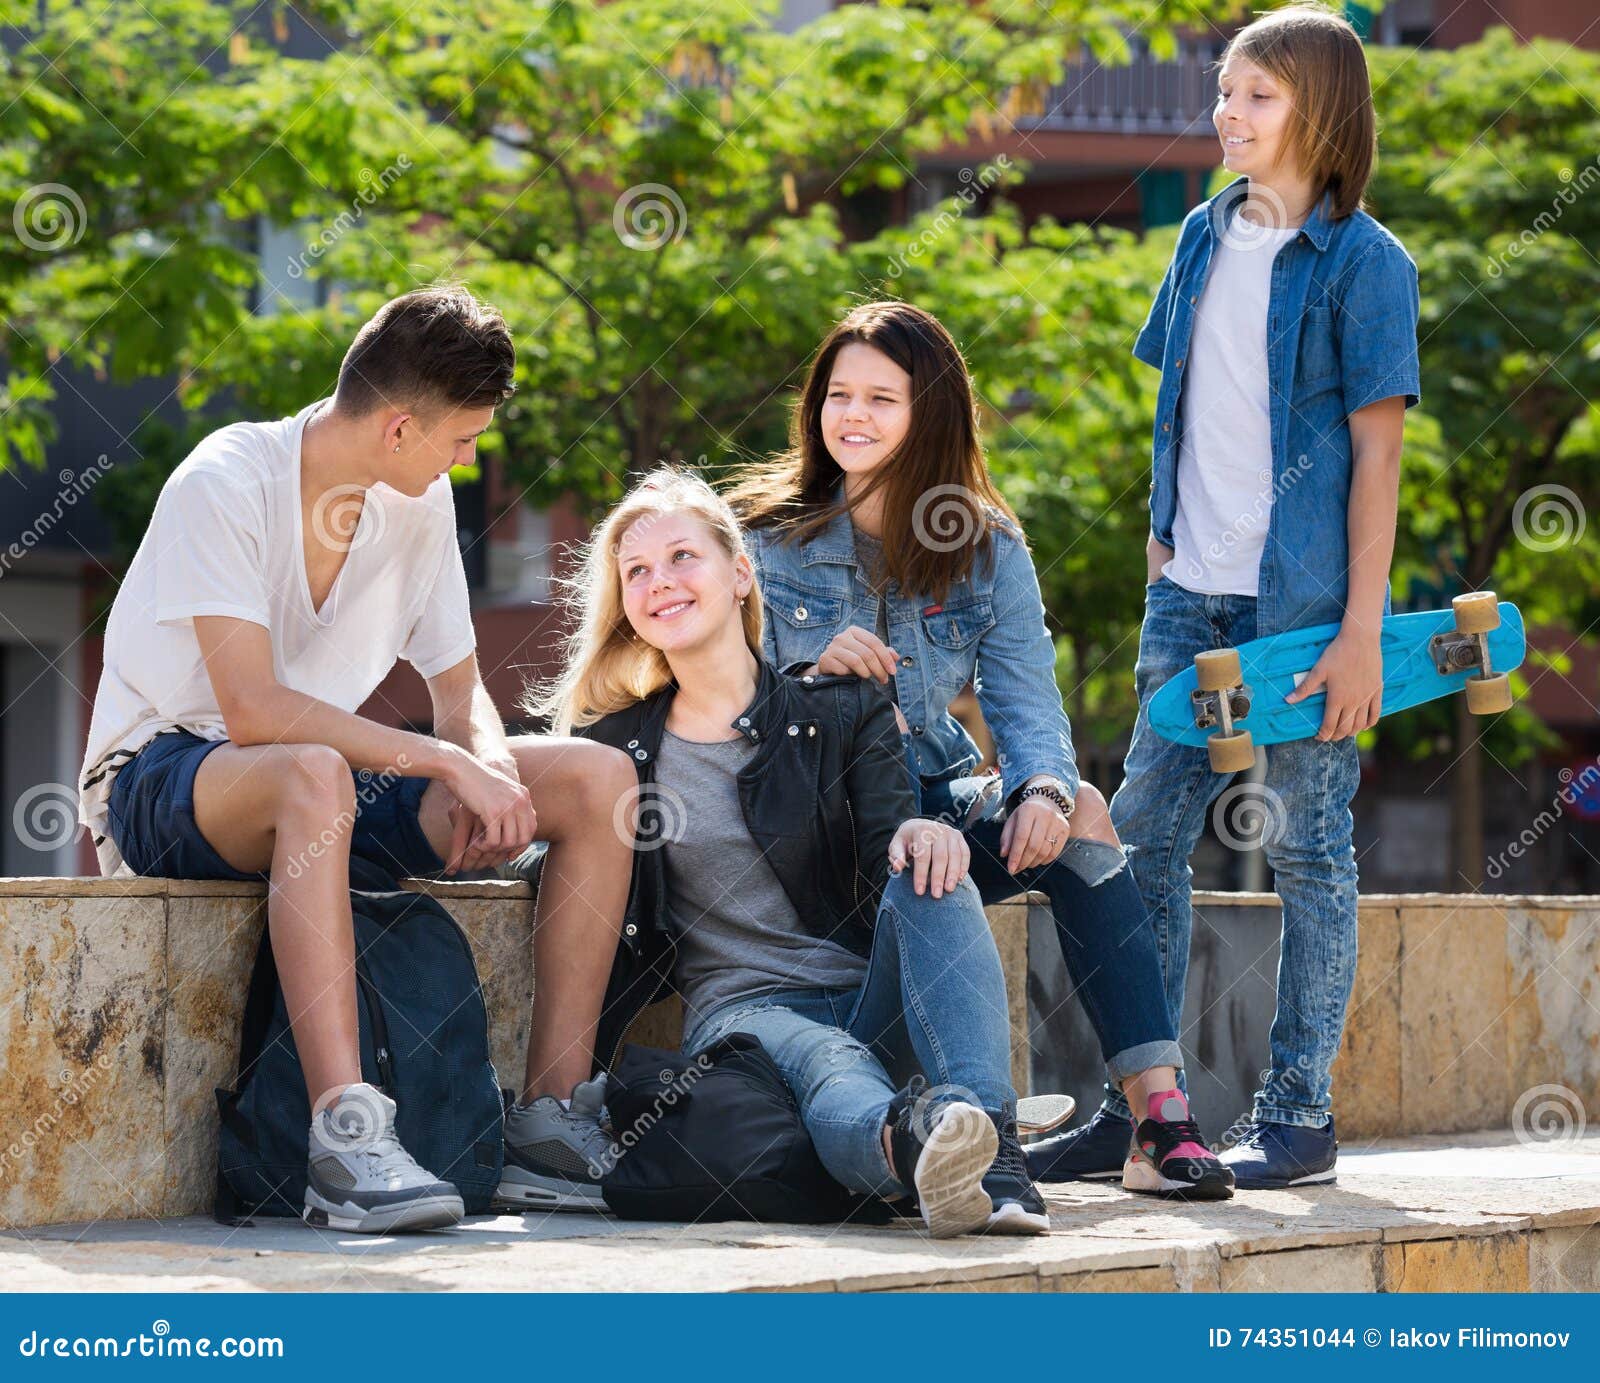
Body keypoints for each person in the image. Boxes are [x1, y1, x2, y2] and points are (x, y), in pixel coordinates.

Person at [78, 286, 638, 1232]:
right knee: (310, 770)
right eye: (461, 440)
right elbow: (253, 711)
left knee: (596, 779)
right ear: (398, 429)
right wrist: (437, 761)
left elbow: (463, 698)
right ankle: (345, 1140)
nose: (468, 460)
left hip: (326, 785)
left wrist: (489, 771)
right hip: (167, 778)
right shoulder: (225, 480)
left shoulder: (414, 505)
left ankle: (545, 1117)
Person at [727, 301, 1233, 1200]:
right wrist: (799, 673)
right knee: (933, 849)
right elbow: (704, 698)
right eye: (837, 394)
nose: (851, 415)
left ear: (933, 412)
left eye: (882, 398)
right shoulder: (763, 536)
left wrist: (1038, 787)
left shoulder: (988, 548)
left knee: (1079, 803)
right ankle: (979, 1131)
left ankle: (1160, 1122)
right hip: (806, 819)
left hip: (932, 793)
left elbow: (1030, 704)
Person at [526, 467, 1051, 1236]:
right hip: (746, 1016)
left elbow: (888, 851)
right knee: (826, 1060)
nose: (659, 581)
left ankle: (992, 1153)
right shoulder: (614, 752)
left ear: (741, 574)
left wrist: (924, 830)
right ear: (629, 611)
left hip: (874, 995)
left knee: (940, 871)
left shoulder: (839, 708)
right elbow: (554, 858)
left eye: (681, 557)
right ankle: (916, 1144)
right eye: (636, 571)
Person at [1102, 2, 1422, 1188]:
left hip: (1300, 613)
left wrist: (1358, 637)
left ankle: (1298, 1116)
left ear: (1318, 113)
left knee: (1309, 856)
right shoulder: (1196, 235)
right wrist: (1157, 566)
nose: (1225, 112)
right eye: (1225, 90)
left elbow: (1377, 459)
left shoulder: (1367, 264)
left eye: (1256, 96)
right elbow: (1175, 412)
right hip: (1188, 598)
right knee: (1136, 846)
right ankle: (1135, 1108)